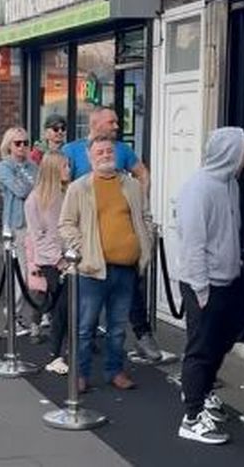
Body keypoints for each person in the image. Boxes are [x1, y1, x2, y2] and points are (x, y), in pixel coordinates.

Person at [61, 107, 160, 361]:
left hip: (125, 260)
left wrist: (142, 227)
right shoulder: (72, 151)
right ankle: (78, 367)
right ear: (95, 124)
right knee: (86, 320)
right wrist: (80, 246)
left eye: (117, 121)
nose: (117, 126)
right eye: (111, 121)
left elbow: (142, 173)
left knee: (119, 323)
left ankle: (124, 359)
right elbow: (62, 192)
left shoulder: (123, 151)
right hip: (91, 256)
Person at [175, 127, 244, 445]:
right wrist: (201, 289)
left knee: (219, 345)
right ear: (230, 153)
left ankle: (203, 394)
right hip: (203, 284)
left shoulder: (230, 184)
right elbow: (193, 243)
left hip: (227, 279)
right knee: (201, 350)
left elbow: (230, 227)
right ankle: (191, 417)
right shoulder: (199, 188)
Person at [24, 151, 71, 373]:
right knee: (61, 305)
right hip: (52, 261)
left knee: (67, 306)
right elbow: (38, 236)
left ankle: (64, 349)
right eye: (65, 166)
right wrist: (58, 260)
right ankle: (55, 352)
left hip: (70, 258)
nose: (69, 170)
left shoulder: (67, 193)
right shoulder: (35, 200)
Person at [0, 126, 38, 336]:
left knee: (33, 271)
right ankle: (12, 315)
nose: (22, 147)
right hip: (17, 224)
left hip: (36, 225)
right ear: (9, 145)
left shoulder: (33, 166)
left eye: (25, 142)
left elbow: (43, 188)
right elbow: (20, 190)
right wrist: (33, 185)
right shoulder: (4, 166)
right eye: (18, 143)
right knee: (20, 272)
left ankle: (31, 315)